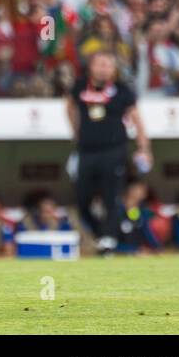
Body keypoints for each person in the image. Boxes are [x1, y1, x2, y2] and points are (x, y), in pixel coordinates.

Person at [67, 51, 151, 254]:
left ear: (114, 69)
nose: (104, 69)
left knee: (111, 195)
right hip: (87, 150)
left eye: (108, 65)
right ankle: (100, 234)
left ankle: (109, 240)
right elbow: (70, 107)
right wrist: (77, 132)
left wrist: (144, 148)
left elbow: (136, 119)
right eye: (100, 64)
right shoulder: (79, 86)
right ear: (91, 67)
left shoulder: (122, 90)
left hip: (113, 149)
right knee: (82, 198)